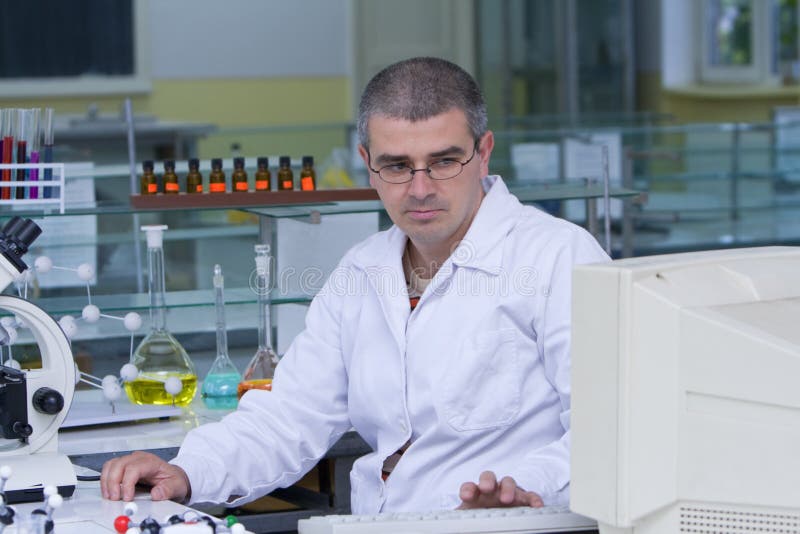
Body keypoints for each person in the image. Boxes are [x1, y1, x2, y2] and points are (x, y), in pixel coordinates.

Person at [101, 57, 609, 514]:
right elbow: (289, 417)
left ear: (484, 152)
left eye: (444, 161)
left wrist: (526, 492)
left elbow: (611, 428)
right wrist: (188, 471)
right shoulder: (362, 271)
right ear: (368, 164)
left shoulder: (557, 258)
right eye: (396, 166)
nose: (420, 188)